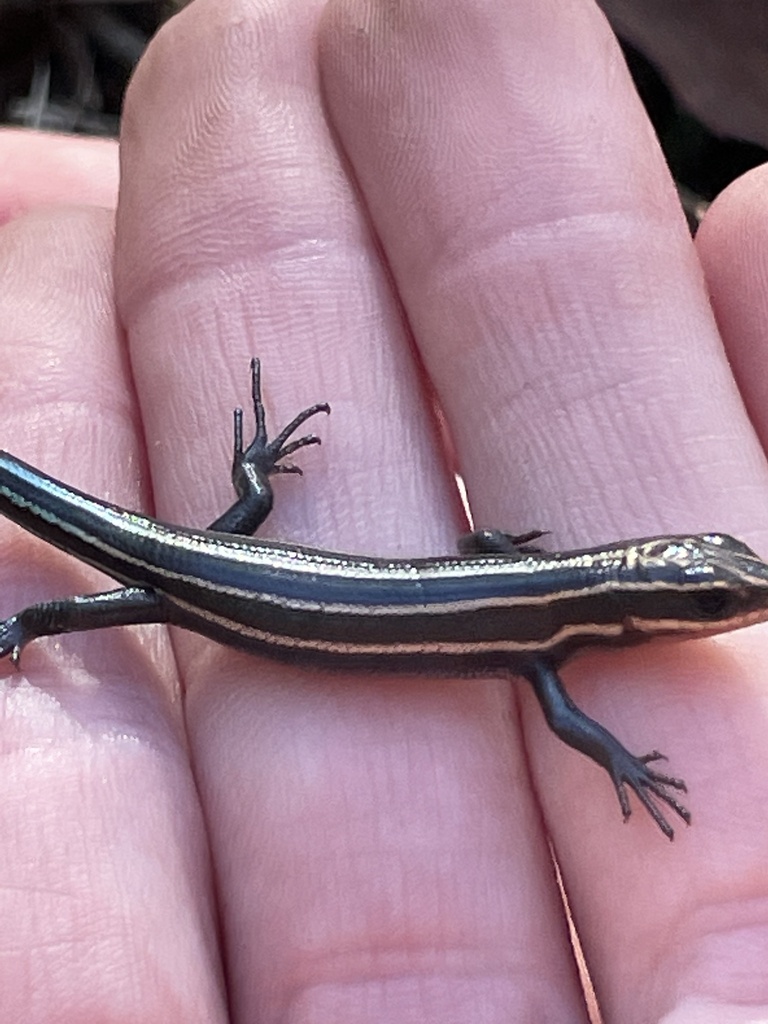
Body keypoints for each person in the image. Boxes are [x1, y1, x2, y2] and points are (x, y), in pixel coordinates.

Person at [0, 1, 766, 1021]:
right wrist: (619, 756)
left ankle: (64, 598)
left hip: (220, 568)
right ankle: (26, 621)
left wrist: (259, 478)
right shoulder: (546, 643)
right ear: (650, 609)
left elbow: (479, 544)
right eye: (717, 592)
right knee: (115, 602)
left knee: (150, 575)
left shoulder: (548, 603)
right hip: (213, 596)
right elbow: (566, 712)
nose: (738, 601)